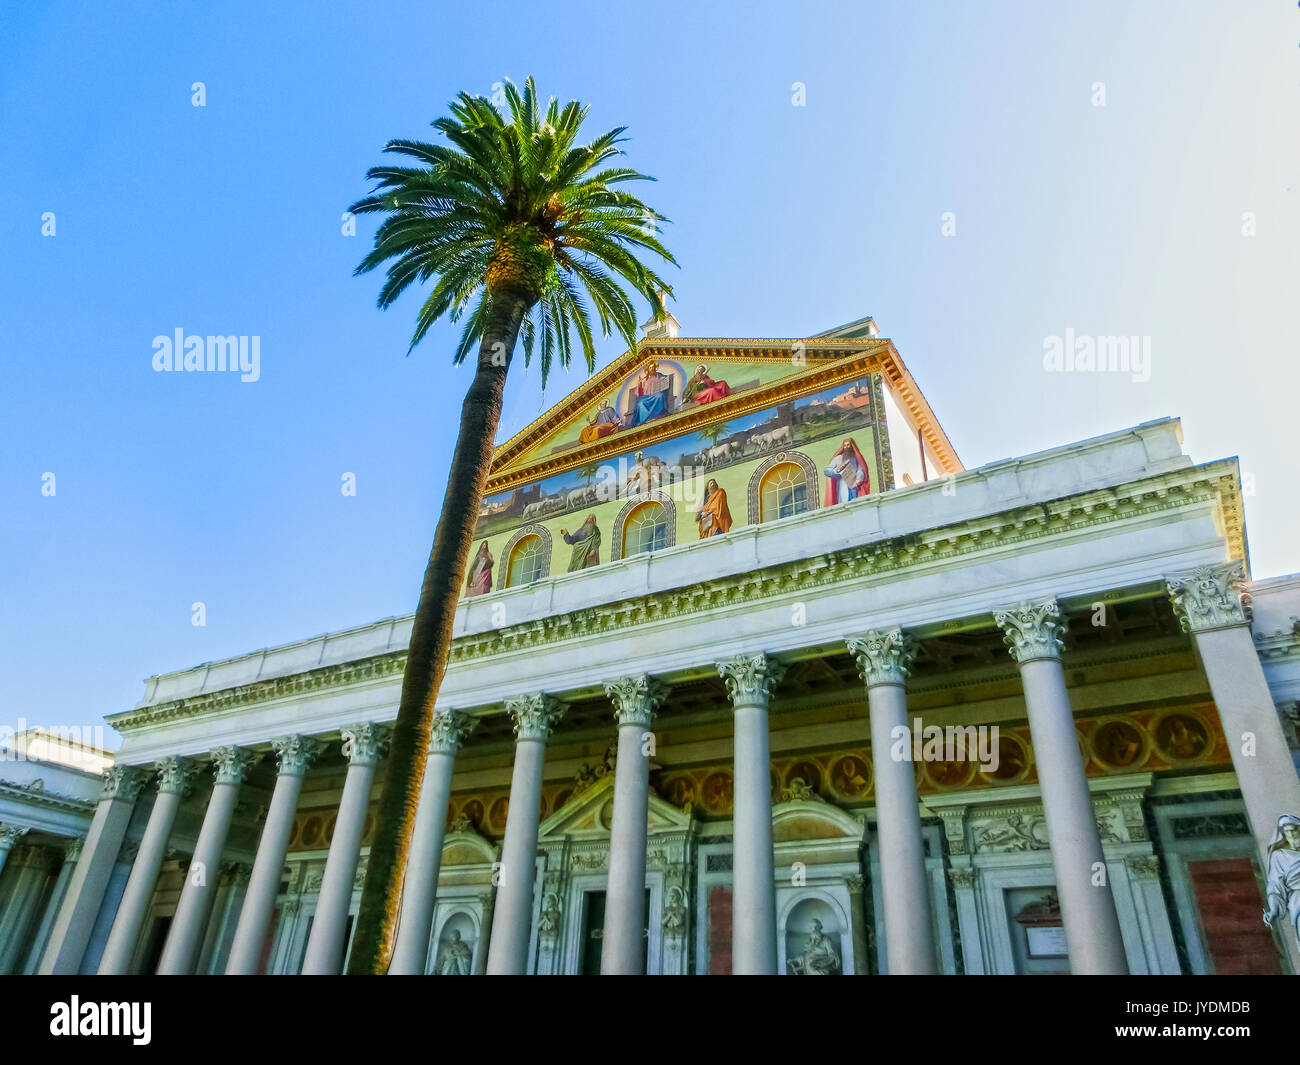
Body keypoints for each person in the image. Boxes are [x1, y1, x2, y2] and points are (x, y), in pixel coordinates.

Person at [1263, 813, 1300, 943]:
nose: (1290, 834)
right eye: (1286, 831)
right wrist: (1273, 910)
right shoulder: (1279, 856)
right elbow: (1275, 885)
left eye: (1293, 830)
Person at [823, 437, 870, 504]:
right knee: (843, 501)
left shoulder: (856, 458)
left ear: (852, 446)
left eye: (848, 445)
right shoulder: (838, 458)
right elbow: (827, 471)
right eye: (844, 445)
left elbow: (861, 469)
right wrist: (837, 471)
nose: (846, 447)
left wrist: (858, 480)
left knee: (854, 503)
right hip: (842, 483)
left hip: (853, 484)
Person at [630, 360, 671, 426]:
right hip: (646, 398)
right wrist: (640, 385)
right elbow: (640, 394)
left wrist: (664, 379)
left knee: (660, 395)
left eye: (653, 367)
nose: (652, 369)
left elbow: (665, 380)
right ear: (648, 369)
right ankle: (646, 420)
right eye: (650, 367)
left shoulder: (659, 375)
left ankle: (657, 415)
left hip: (655, 395)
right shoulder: (643, 380)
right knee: (640, 403)